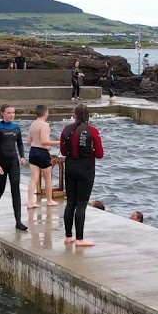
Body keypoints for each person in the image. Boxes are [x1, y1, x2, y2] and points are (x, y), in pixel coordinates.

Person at [59, 104, 105, 246]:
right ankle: (80, 239)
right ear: (88, 115)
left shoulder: (66, 129)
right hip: (86, 169)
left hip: (70, 167)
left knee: (70, 203)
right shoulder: (93, 130)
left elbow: (62, 151)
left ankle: (68, 236)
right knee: (81, 204)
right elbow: (99, 154)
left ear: (75, 115)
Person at [0, 104, 28, 230]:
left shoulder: (16, 128)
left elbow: (20, 144)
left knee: (15, 190)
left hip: (13, 163)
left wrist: (22, 156)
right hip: (1, 164)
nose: (11, 115)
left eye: (13, 112)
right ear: (2, 114)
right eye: (9, 112)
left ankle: (18, 221)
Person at [26, 104, 57, 209]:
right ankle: (49, 200)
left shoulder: (33, 124)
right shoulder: (45, 125)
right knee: (48, 178)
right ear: (45, 113)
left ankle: (30, 202)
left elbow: (29, 141)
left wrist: (43, 144)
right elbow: (44, 141)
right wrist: (59, 142)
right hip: (42, 153)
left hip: (33, 151)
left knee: (33, 178)